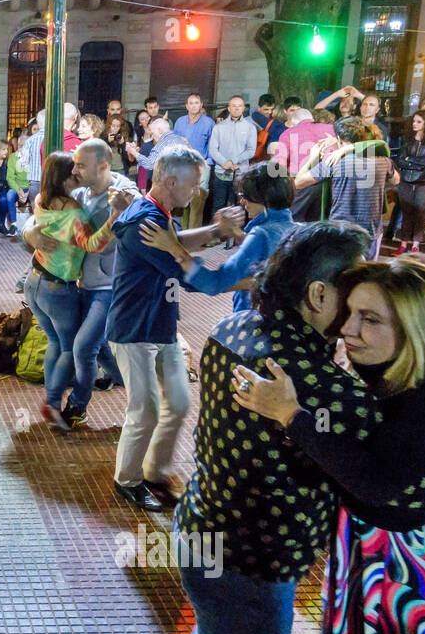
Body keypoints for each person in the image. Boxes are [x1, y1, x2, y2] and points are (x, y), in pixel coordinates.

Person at [234, 259, 425, 634]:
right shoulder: (390, 379)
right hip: (369, 565)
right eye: (350, 313)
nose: (348, 329)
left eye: (370, 319)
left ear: (416, 329)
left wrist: (292, 416)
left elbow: (376, 482)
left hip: (398, 587)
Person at [162, 222, 377, 634]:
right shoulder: (325, 386)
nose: (362, 313)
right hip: (255, 565)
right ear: (319, 294)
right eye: (359, 298)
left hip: (201, 530)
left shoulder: (230, 329)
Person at [107, 146, 243, 511]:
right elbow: (186, 272)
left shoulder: (161, 215)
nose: (197, 191)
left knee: (179, 403)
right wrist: (244, 279)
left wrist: (215, 231)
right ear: (170, 181)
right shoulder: (145, 222)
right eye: (194, 183)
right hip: (134, 328)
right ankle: (128, 480)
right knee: (146, 409)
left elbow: (178, 244)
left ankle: (155, 470)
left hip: (161, 327)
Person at [22, 143, 134, 428]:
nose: (75, 170)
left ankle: (70, 404)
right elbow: (87, 241)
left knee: (82, 347)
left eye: (81, 165)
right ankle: (129, 386)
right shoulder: (78, 196)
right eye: (73, 165)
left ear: (104, 166)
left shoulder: (124, 193)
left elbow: (97, 242)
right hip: (72, 285)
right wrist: (30, 232)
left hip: (106, 286)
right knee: (85, 346)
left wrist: (119, 211)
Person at [140, 164, 296, 312]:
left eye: (245, 195)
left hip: (252, 325)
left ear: (262, 198)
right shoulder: (296, 230)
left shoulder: (260, 235)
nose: (242, 201)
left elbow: (214, 283)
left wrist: (174, 248)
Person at [294, 117, 391, 257]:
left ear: (340, 139)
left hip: (341, 228)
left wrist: (312, 158)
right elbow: (396, 179)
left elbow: (298, 182)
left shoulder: (334, 161)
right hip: (370, 229)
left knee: (340, 273)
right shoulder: (383, 161)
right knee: (366, 273)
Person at [389, 109, 425, 254]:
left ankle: (416, 245)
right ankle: (403, 243)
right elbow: (400, 159)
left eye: (419, 121)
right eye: (414, 121)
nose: (414, 124)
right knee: (406, 210)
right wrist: (415, 162)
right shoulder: (409, 137)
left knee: (420, 211)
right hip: (406, 179)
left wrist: (410, 161)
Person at [207, 95, 258, 224]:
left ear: (243, 108)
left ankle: (237, 237)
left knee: (239, 206)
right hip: (221, 172)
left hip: (240, 173)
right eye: (233, 106)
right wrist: (224, 162)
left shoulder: (250, 127)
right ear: (228, 108)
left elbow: (251, 150)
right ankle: (216, 235)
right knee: (218, 205)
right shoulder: (219, 127)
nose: (236, 109)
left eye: (239, 106)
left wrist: (234, 161)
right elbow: (213, 149)